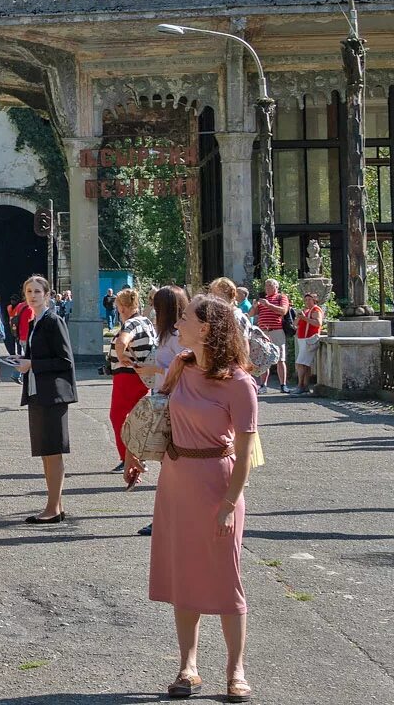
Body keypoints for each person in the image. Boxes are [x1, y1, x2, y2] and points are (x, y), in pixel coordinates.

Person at [127, 294, 260, 702]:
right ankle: (188, 666)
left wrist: (227, 504)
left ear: (205, 328)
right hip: (176, 479)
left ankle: (235, 670)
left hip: (217, 484)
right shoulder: (182, 365)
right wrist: (135, 453)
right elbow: (157, 410)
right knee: (184, 577)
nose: (177, 321)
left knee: (225, 579)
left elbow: (245, 453)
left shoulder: (240, 383)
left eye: (184, 317)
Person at [12, 275, 75, 523]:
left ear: (47, 295)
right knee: (46, 452)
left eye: (38, 291)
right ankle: (55, 506)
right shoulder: (35, 321)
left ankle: (52, 508)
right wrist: (24, 364)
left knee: (53, 451)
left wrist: (32, 364)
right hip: (39, 393)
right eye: (29, 291)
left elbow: (65, 361)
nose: (33, 295)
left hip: (53, 396)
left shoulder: (53, 320)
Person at [134, 285, 191, 538]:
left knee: (172, 465)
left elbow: (188, 371)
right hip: (164, 397)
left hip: (174, 400)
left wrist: (154, 372)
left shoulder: (178, 335)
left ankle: (168, 518)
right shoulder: (168, 333)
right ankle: (168, 517)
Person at [108, 288, 158, 472]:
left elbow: (122, 342)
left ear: (121, 307)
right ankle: (137, 454)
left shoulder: (130, 324)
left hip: (126, 376)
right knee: (140, 418)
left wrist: (121, 356)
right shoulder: (146, 322)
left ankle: (127, 457)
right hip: (144, 377)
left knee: (118, 416)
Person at [251, 279, 291, 393]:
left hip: (276, 330)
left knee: (280, 358)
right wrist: (254, 307)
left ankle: (283, 385)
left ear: (276, 287)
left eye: (269, 286)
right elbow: (251, 314)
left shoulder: (281, 297)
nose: (267, 288)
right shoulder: (263, 300)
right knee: (263, 358)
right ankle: (263, 385)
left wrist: (268, 305)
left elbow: (283, 311)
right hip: (263, 332)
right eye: (266, 285)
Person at [294, 291, 324, 395]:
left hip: (310, 339)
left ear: (315, 300)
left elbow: (318, 323)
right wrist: (299, 318)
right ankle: (305, 386)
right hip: (302, 339)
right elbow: (295, 324)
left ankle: (300, 386)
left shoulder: (316, 310)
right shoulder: (306, 310)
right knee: (305, 364)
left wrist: (304, 318)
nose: (307, 301)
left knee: (300, 363)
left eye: (310, 299)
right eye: (306, 300)